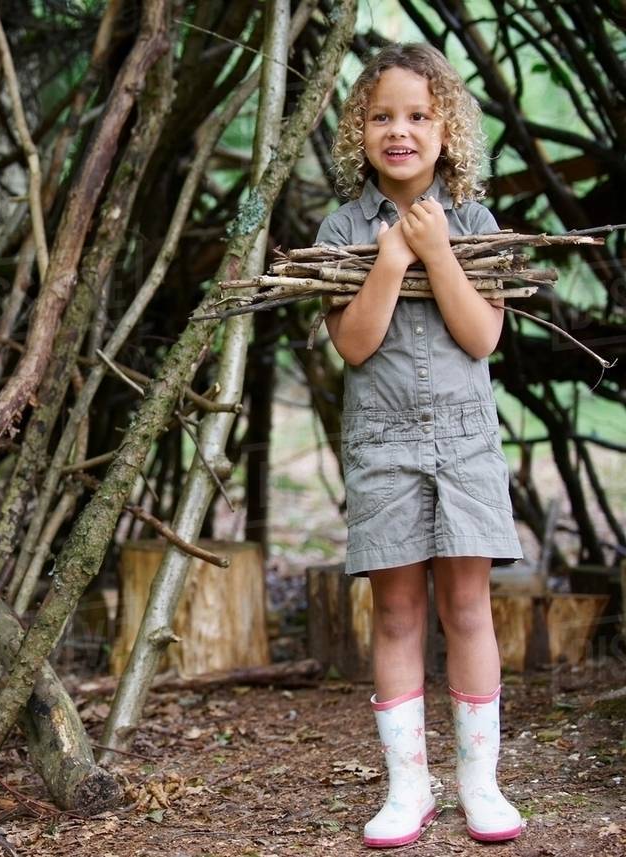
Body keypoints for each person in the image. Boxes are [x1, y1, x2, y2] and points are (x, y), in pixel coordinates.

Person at [314, 43, 525, 848]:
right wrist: (391, 255)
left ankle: (481, 784)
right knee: (397, 611)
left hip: (466, 444)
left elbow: (481, 335)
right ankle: (409, 789)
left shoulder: (473, 222)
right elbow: (355, 346)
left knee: (468, 606)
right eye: (381, 116)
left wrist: (436, 251)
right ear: (359, 131)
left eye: (416, 115)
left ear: (447, 129)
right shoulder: (343, 228)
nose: (398, 131)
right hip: (385, 444)